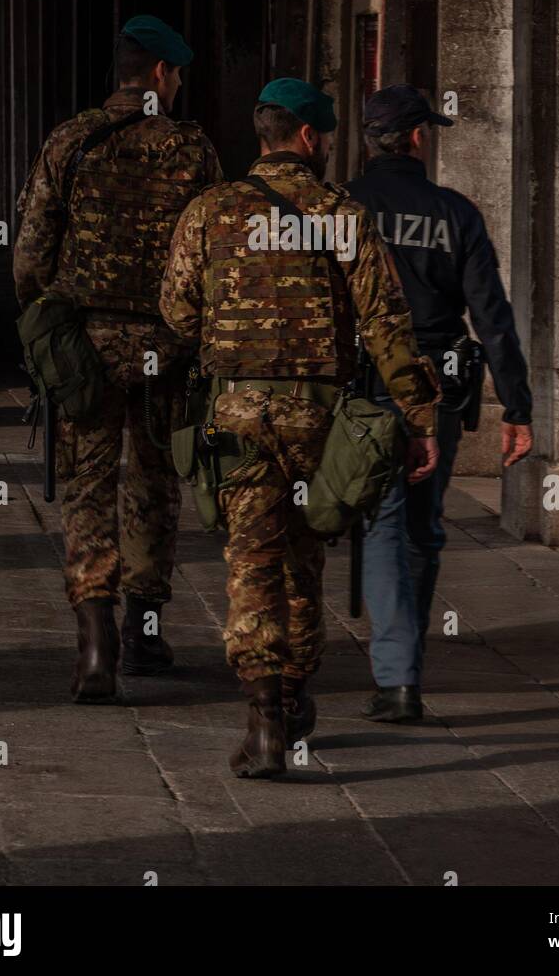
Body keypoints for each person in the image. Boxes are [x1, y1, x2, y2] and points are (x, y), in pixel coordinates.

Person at [159, 77, 441, 779]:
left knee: (251, 561)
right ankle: (292, 693)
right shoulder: (342, 213)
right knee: (303, 560)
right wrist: (418, 416)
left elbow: (176, 313)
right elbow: (385, 324)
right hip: (319, 419)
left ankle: (261, 716)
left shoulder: (210, 210)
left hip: (238, 415)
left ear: (264, 134)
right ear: (310, 139)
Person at [13, 15, 222, 703]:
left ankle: (95, 646)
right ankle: (145, 634)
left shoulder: (71, 141)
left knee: (88, 486)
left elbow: (31, 252)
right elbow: (212, 255)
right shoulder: (192, 149)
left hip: (87, 347)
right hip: (165, 345)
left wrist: (47, 317)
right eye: (179, 74)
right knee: (154, 486)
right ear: (161, 74)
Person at [346, 84, 533, 722]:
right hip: (439, 387)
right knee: (423, 528)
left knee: (382, 523)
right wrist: (517, 406)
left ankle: (394, 676)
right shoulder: (456, 213)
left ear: (371, 138)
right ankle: (404, 674)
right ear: (419, 138)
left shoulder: (342, 207)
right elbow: (493, 317)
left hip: (361, 387)